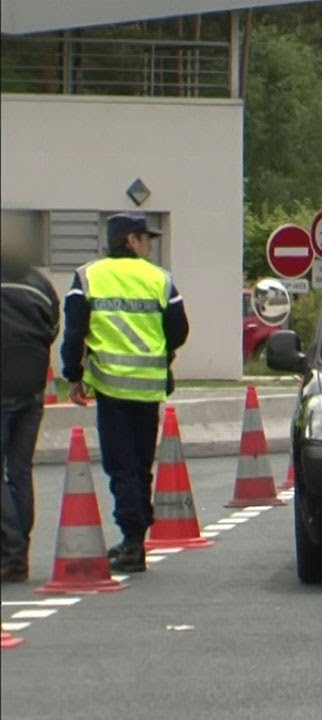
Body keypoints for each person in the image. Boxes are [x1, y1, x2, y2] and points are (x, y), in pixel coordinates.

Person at [60, 212, 189, 574]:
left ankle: (132, 539)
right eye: (145, 238)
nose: (150, 245)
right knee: (141, 464)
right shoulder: (160, 280)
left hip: (111, 386)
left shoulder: (88, 277)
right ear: (130, 240)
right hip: (148, 387)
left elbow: (74, 333)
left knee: (121, 465)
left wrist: (74, 375)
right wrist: (160, 354)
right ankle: (136, 536)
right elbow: (179, 330)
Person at [1, 233, 60, 583]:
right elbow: (52, 327)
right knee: (20, 471)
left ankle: (11, 552)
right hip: (32, 387)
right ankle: (19, 551)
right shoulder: (38, 284)